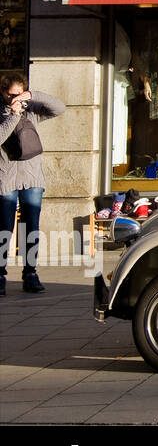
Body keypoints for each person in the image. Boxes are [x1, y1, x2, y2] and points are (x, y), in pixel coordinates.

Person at [0, 72, 67, 294]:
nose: (15, 99)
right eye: (11, 95)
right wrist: (12, 114)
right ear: (3, 93)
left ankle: (30, 273)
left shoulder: (32, 113)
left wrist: (33, 95)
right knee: (4, 229)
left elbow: (59, 108)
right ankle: (0, 276)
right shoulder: (2, 114)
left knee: (31, 227)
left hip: (32, 179)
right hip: (6, 179)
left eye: (19, 94)